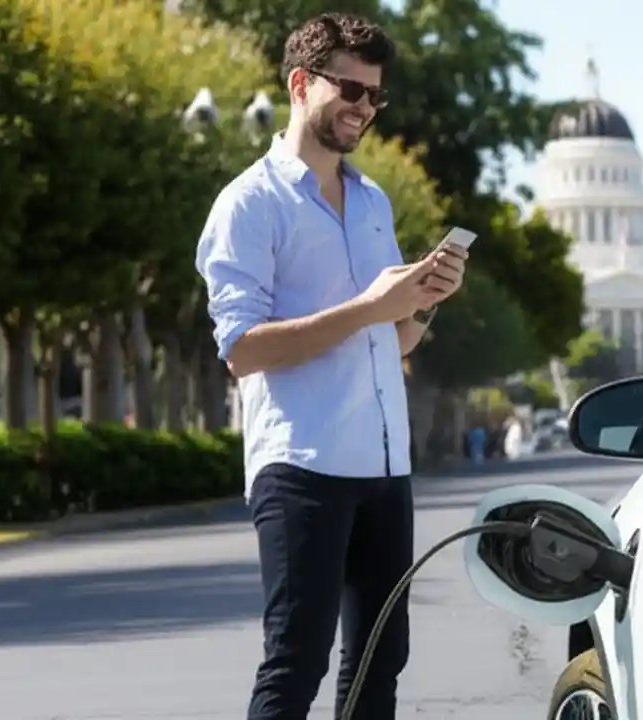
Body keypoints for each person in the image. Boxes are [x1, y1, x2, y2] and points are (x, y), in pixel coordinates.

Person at [193, 12, 468, 720]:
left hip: (383, 467)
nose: (364, 109)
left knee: (380, 662)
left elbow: (390, 339)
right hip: (302, 465)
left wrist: (423, 302)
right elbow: (243, 350)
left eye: (375, 96)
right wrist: (371, 307)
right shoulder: (248, 204)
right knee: (297, 662)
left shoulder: (373, 200)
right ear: (299, 84)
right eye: (350, 90)